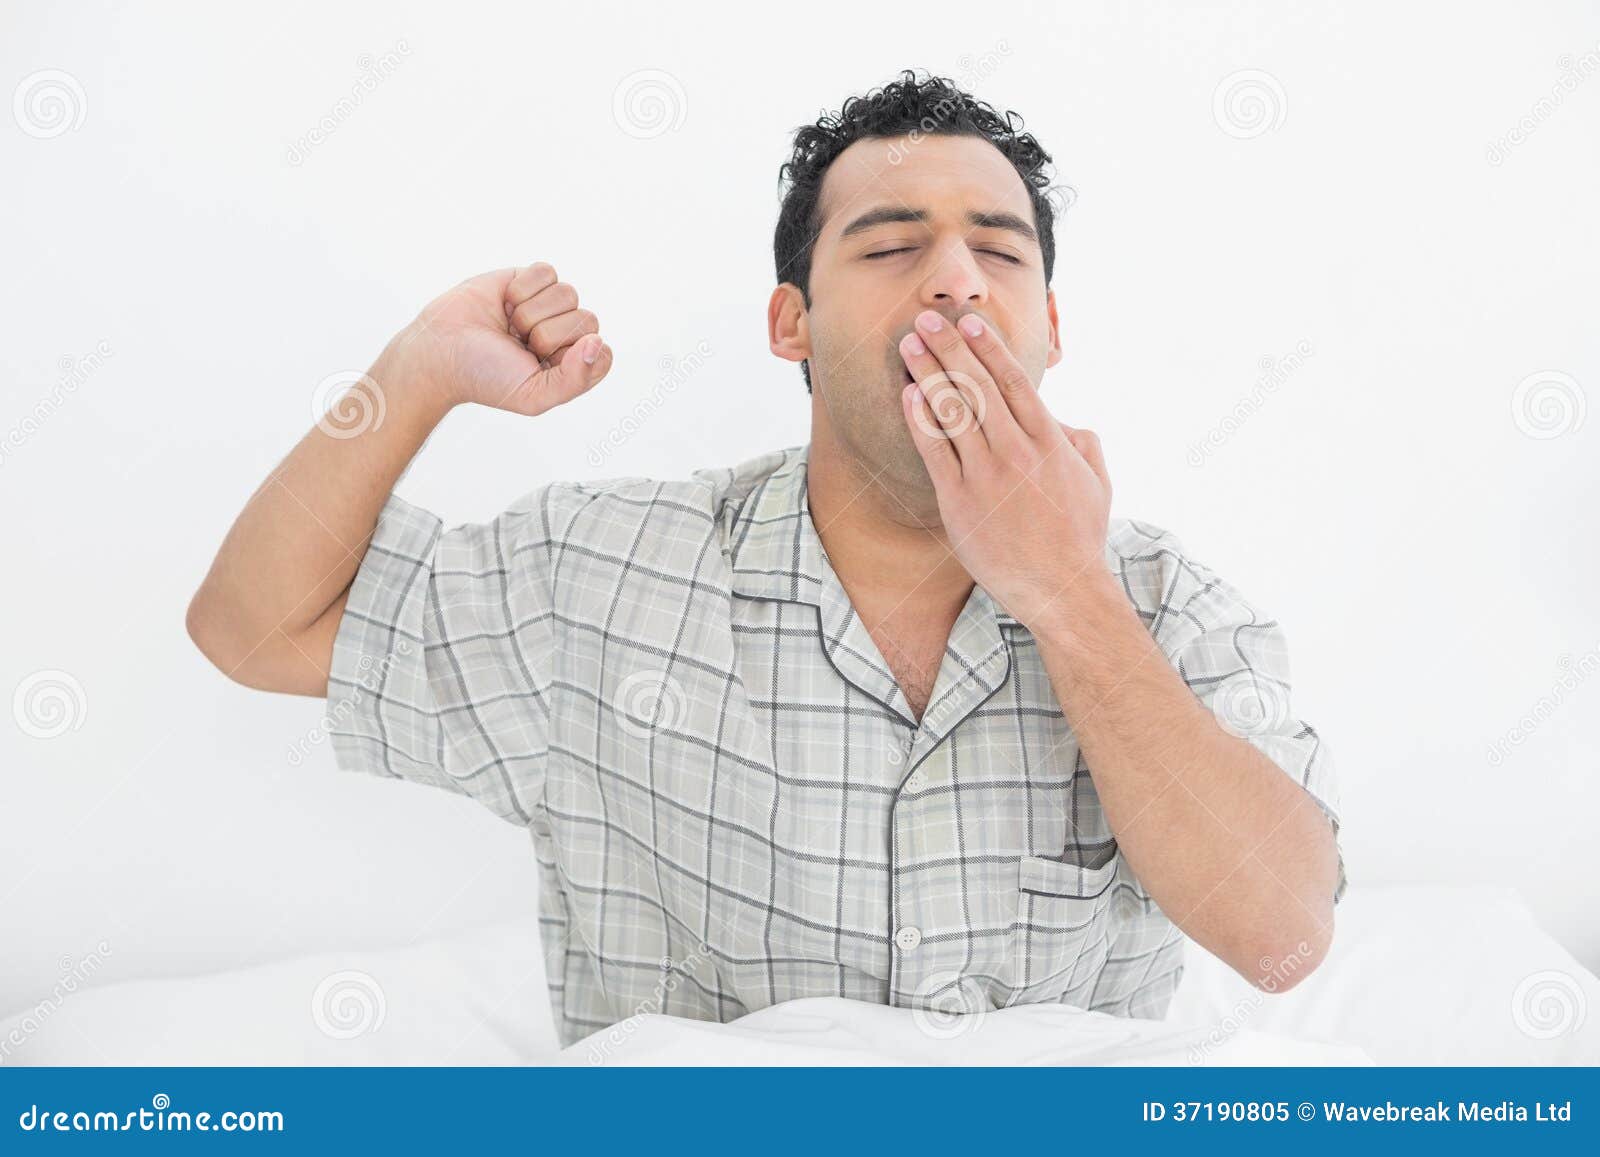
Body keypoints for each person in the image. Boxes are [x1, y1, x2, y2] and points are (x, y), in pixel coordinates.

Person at [187, 70, 1346, 1050]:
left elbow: (1282, 936)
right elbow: (250, 628)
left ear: (1049, 328)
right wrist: (421, 367)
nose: (956, 280)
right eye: (892, 245)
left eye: (1001, 253)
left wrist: (1066, 591)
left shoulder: (1167, 602)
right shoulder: (601, 573)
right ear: (790, 323)